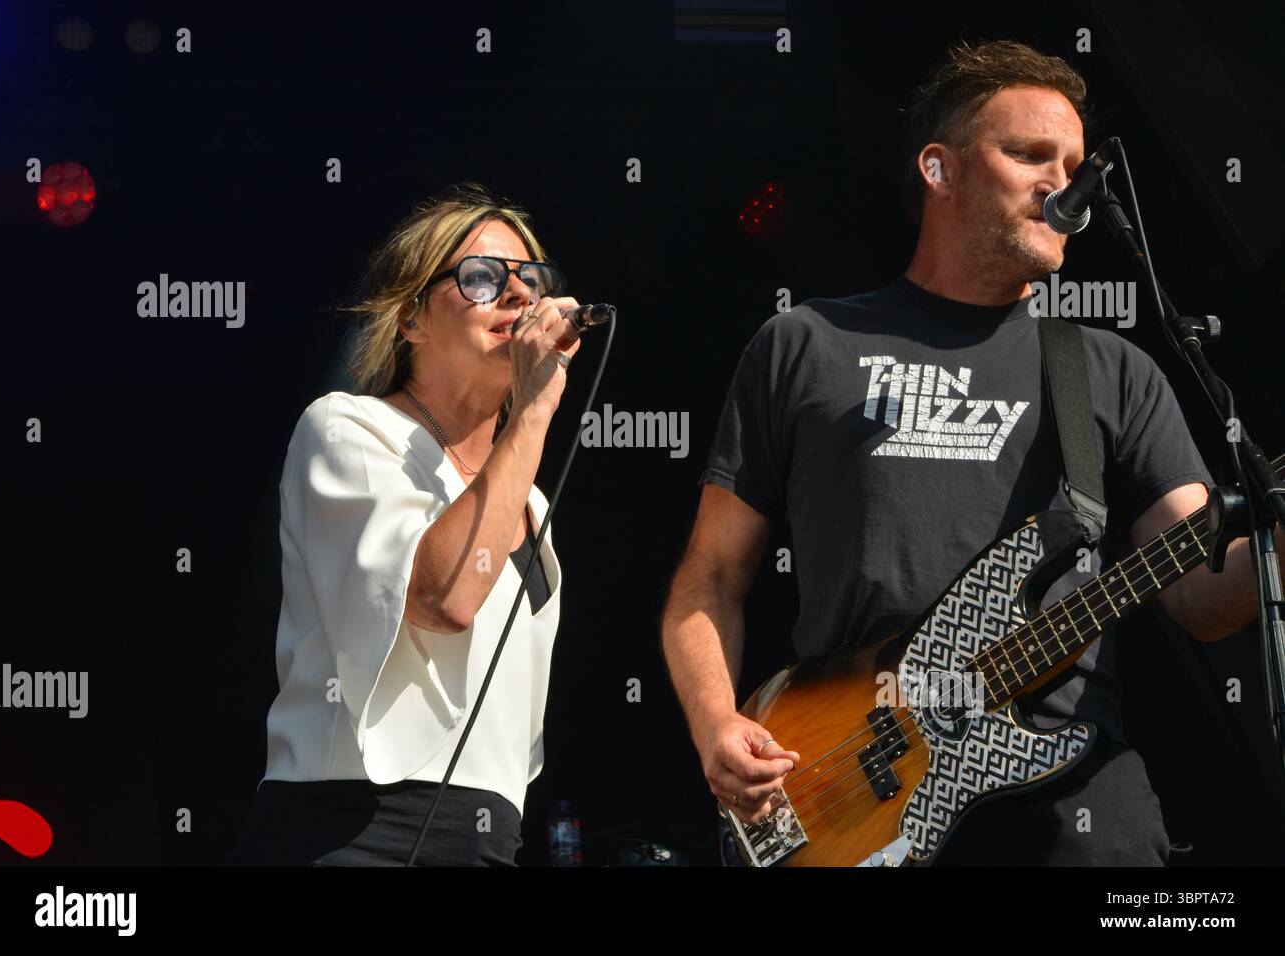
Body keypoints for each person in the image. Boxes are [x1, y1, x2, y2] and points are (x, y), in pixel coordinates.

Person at [660, 40, 1272, 866]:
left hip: (1067, 788)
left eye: (1075, 162)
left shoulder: (1110, 369)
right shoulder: (805, 344)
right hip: (853, 783)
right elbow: (711, 580)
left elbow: (1207, 598)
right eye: (1029, 154)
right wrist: (714, 724)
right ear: (939, 170)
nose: (1064, 184)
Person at [231, 183, 581, 866]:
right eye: (481, 277)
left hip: (485, 834)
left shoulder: (530, 504)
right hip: (352, 828)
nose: (516, 295)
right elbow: (444, 599)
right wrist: (535, 409)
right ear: (412, 320)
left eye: (529, 281)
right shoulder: (349, 429)